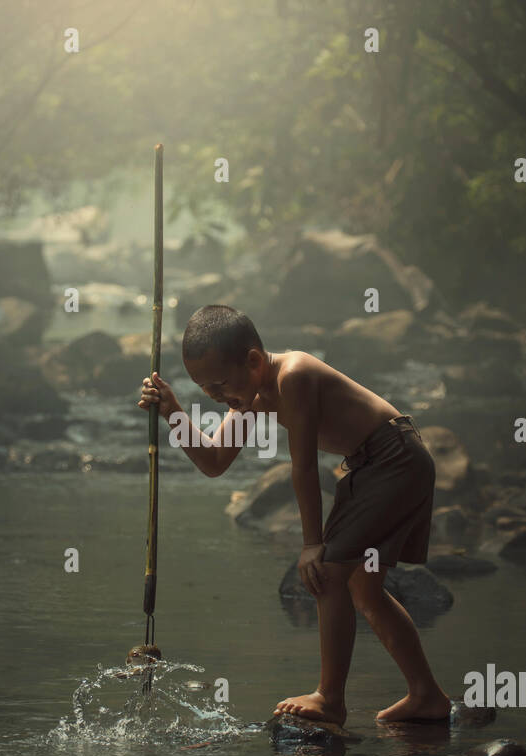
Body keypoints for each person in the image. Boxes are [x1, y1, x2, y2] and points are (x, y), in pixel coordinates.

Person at [138, 304, 451, 725]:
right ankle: (427, 695)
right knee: (364, 590)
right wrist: (172, 410)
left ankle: (331, 698)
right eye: (204, 390)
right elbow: (214, 461)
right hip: (371, 465)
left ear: (252, 360)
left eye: (220, 384)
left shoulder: (294, 375)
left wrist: (311, 545)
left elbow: (302, 466)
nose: (216, 397)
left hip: (394, 458)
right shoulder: (247, 394)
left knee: (327, 573)